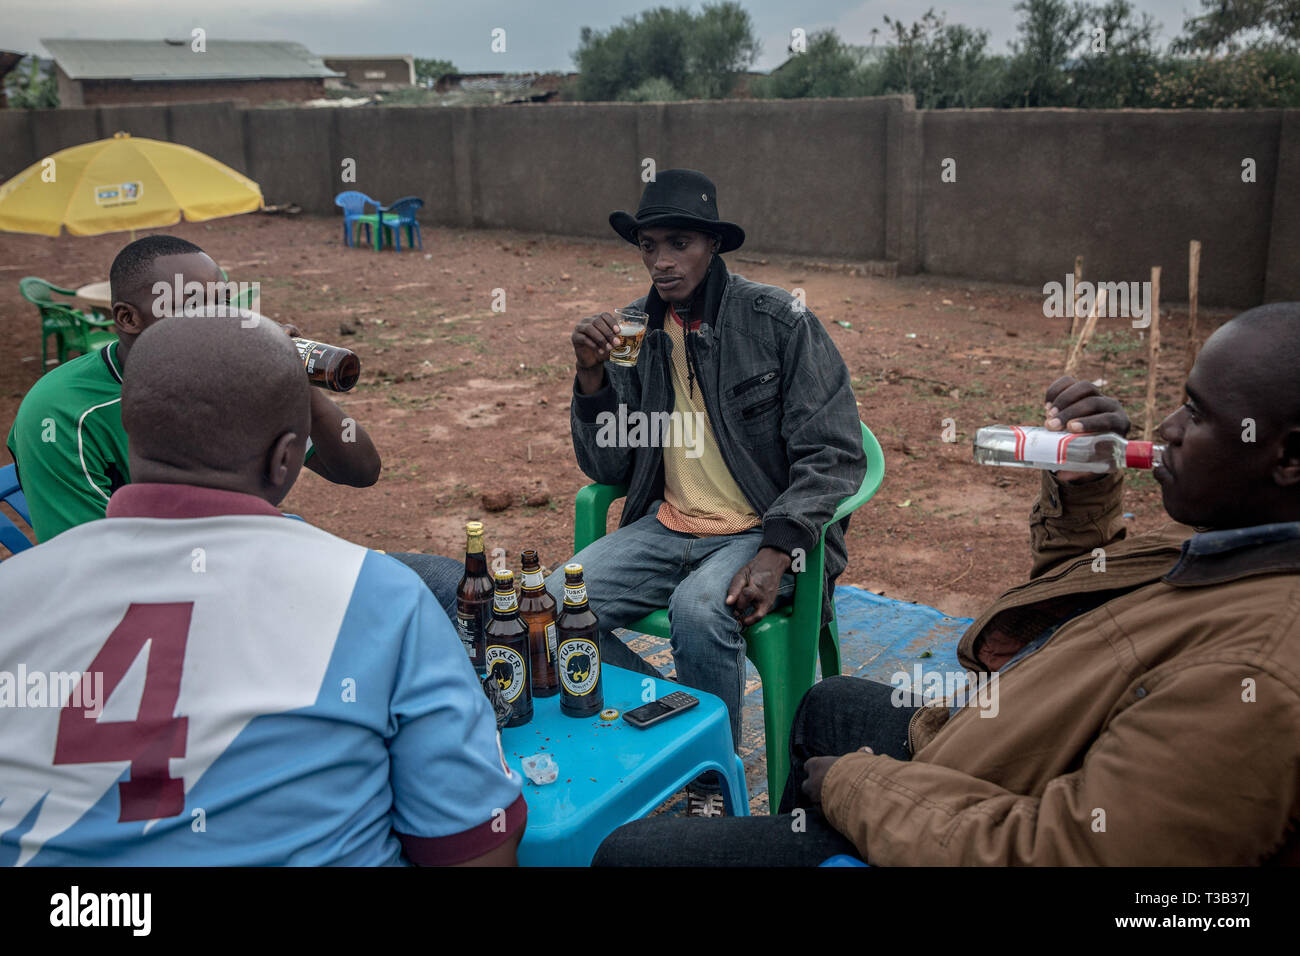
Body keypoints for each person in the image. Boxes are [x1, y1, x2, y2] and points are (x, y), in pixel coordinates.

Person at [594, 302, 1300, 865]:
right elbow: (1080, 618)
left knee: (627, 852)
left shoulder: (1258, 675)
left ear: (1288, 458)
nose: (1169, 429)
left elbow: (1065, 850)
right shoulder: (1240, 544)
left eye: (1199, 415)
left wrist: (856, 788)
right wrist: (1085, 496)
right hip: (1008, 744)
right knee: (825, 705)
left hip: (993, 804)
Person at [0, 314, 525, 866]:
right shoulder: (379, 598)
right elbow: (475, 849)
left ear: (132, 437)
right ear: (285, 459)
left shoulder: (14, 589)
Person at [546, 170, 867, 816]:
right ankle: (688, 727)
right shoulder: (633, 332)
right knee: (552, 605)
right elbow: (606, 462)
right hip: (667, 526)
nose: (662, 262)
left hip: (758, 525)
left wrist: (778, 552)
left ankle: (708, 785)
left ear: (713, 245)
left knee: (699, 610)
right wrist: (590, 377)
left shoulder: (776, 321)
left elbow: (832, 452)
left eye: (680, 244)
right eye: (649, 246)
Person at [5, 235, 463, 618]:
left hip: (259, 557)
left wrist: (293, 377)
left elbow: (359, 469)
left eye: (223, 304)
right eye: (190, 306)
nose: (218, 321)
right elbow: (95, 576)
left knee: (457, 587)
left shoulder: (228, 373)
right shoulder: (60, 413)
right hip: (182, 606)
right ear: (127, 318)